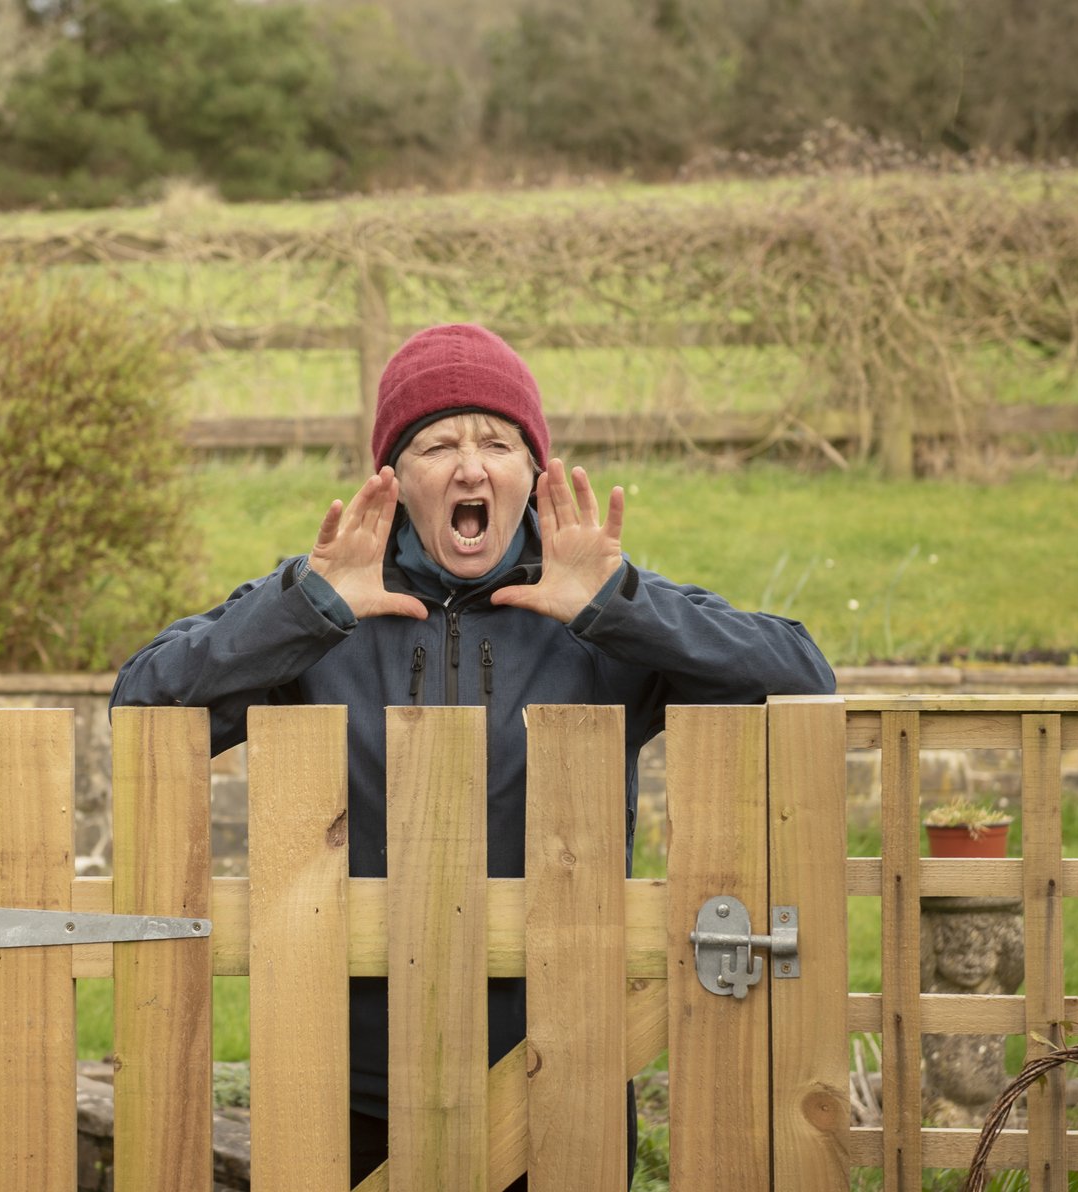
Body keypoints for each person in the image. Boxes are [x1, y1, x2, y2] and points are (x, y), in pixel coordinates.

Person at [113, 323, 835, 1187]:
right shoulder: (321, 601)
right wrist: (304, 612)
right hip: (345, 1072)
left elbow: (801, 677)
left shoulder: (596, 603)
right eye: (436, 444)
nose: (469, 467)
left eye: (496, 442)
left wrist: (621, 608)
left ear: (531, 471)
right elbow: (142, 708)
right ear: (393, 476)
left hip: (562, 1061)